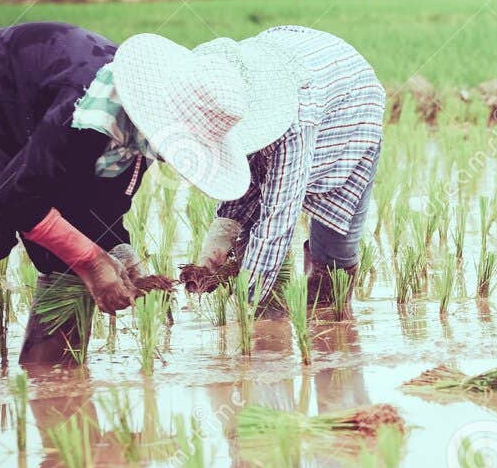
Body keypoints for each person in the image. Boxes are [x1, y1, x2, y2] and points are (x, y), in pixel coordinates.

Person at [0, 22, 212, 366]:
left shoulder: (136, 135)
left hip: (37, 117)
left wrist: (120, 256)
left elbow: (104, 208)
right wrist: (92, 260)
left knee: (74, 247)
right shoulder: (84, 111)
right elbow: (19, 200)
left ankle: (49, 372)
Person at [143, 26, 385, 310]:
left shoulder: (292, 125)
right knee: (250, 242)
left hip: (352, 105)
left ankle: (328, 322)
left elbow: (277, 220)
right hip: (302, 69)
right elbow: (243, 178)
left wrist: (248, 304)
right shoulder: (220, 96)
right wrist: (223, 235)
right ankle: (273, 314)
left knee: (335, 254)